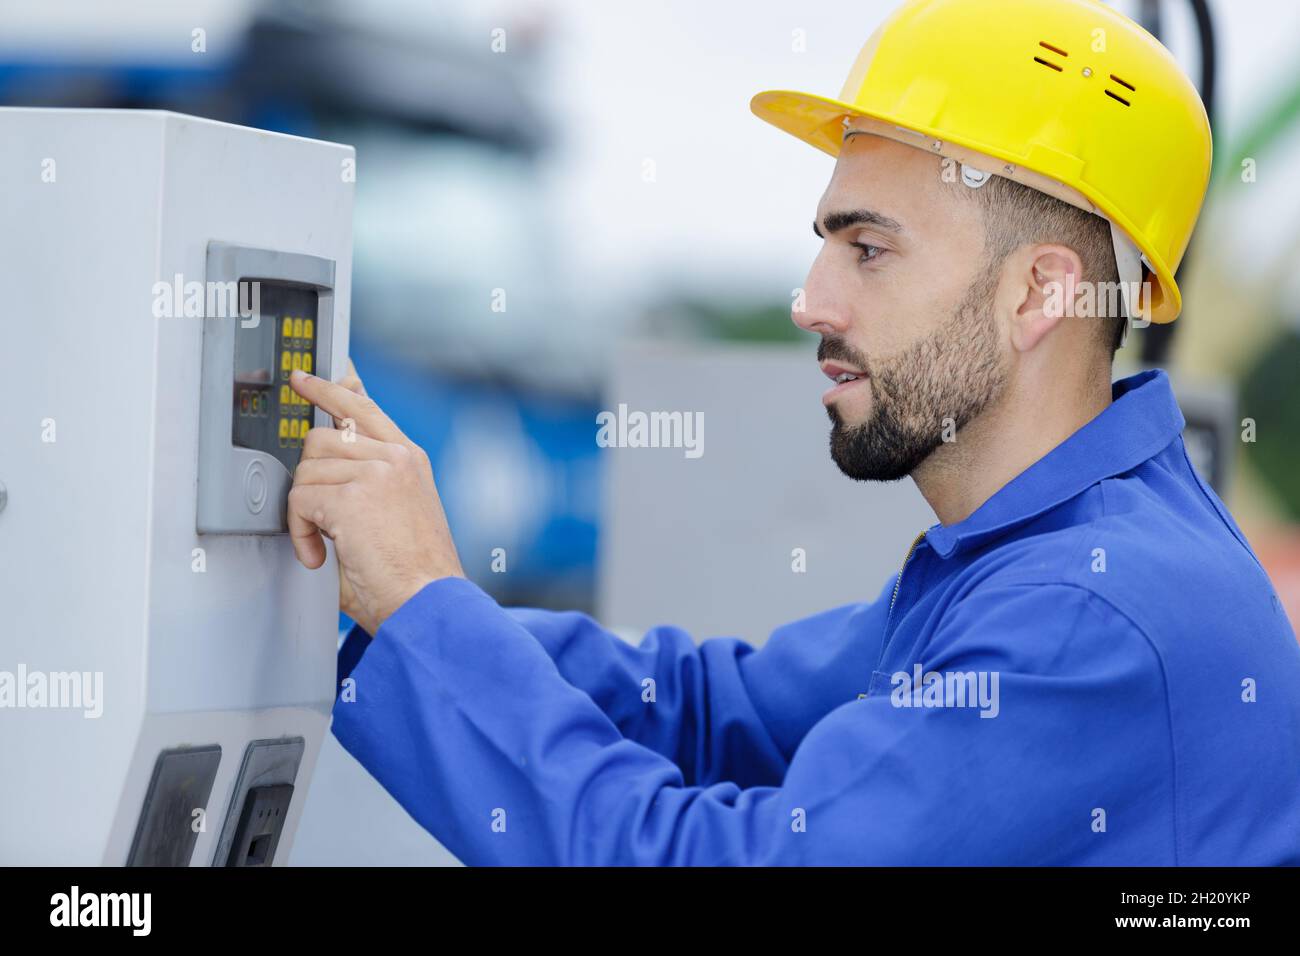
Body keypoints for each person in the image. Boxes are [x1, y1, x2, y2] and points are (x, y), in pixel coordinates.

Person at [285, 0, 1300, 864]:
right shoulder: (1034, 554)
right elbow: (706, 707)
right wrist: (373, 609)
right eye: (825, 245)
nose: (811, 302)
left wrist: (422, 607)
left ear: (1038, 291)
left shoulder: (1086, 614)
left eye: (867, 249)